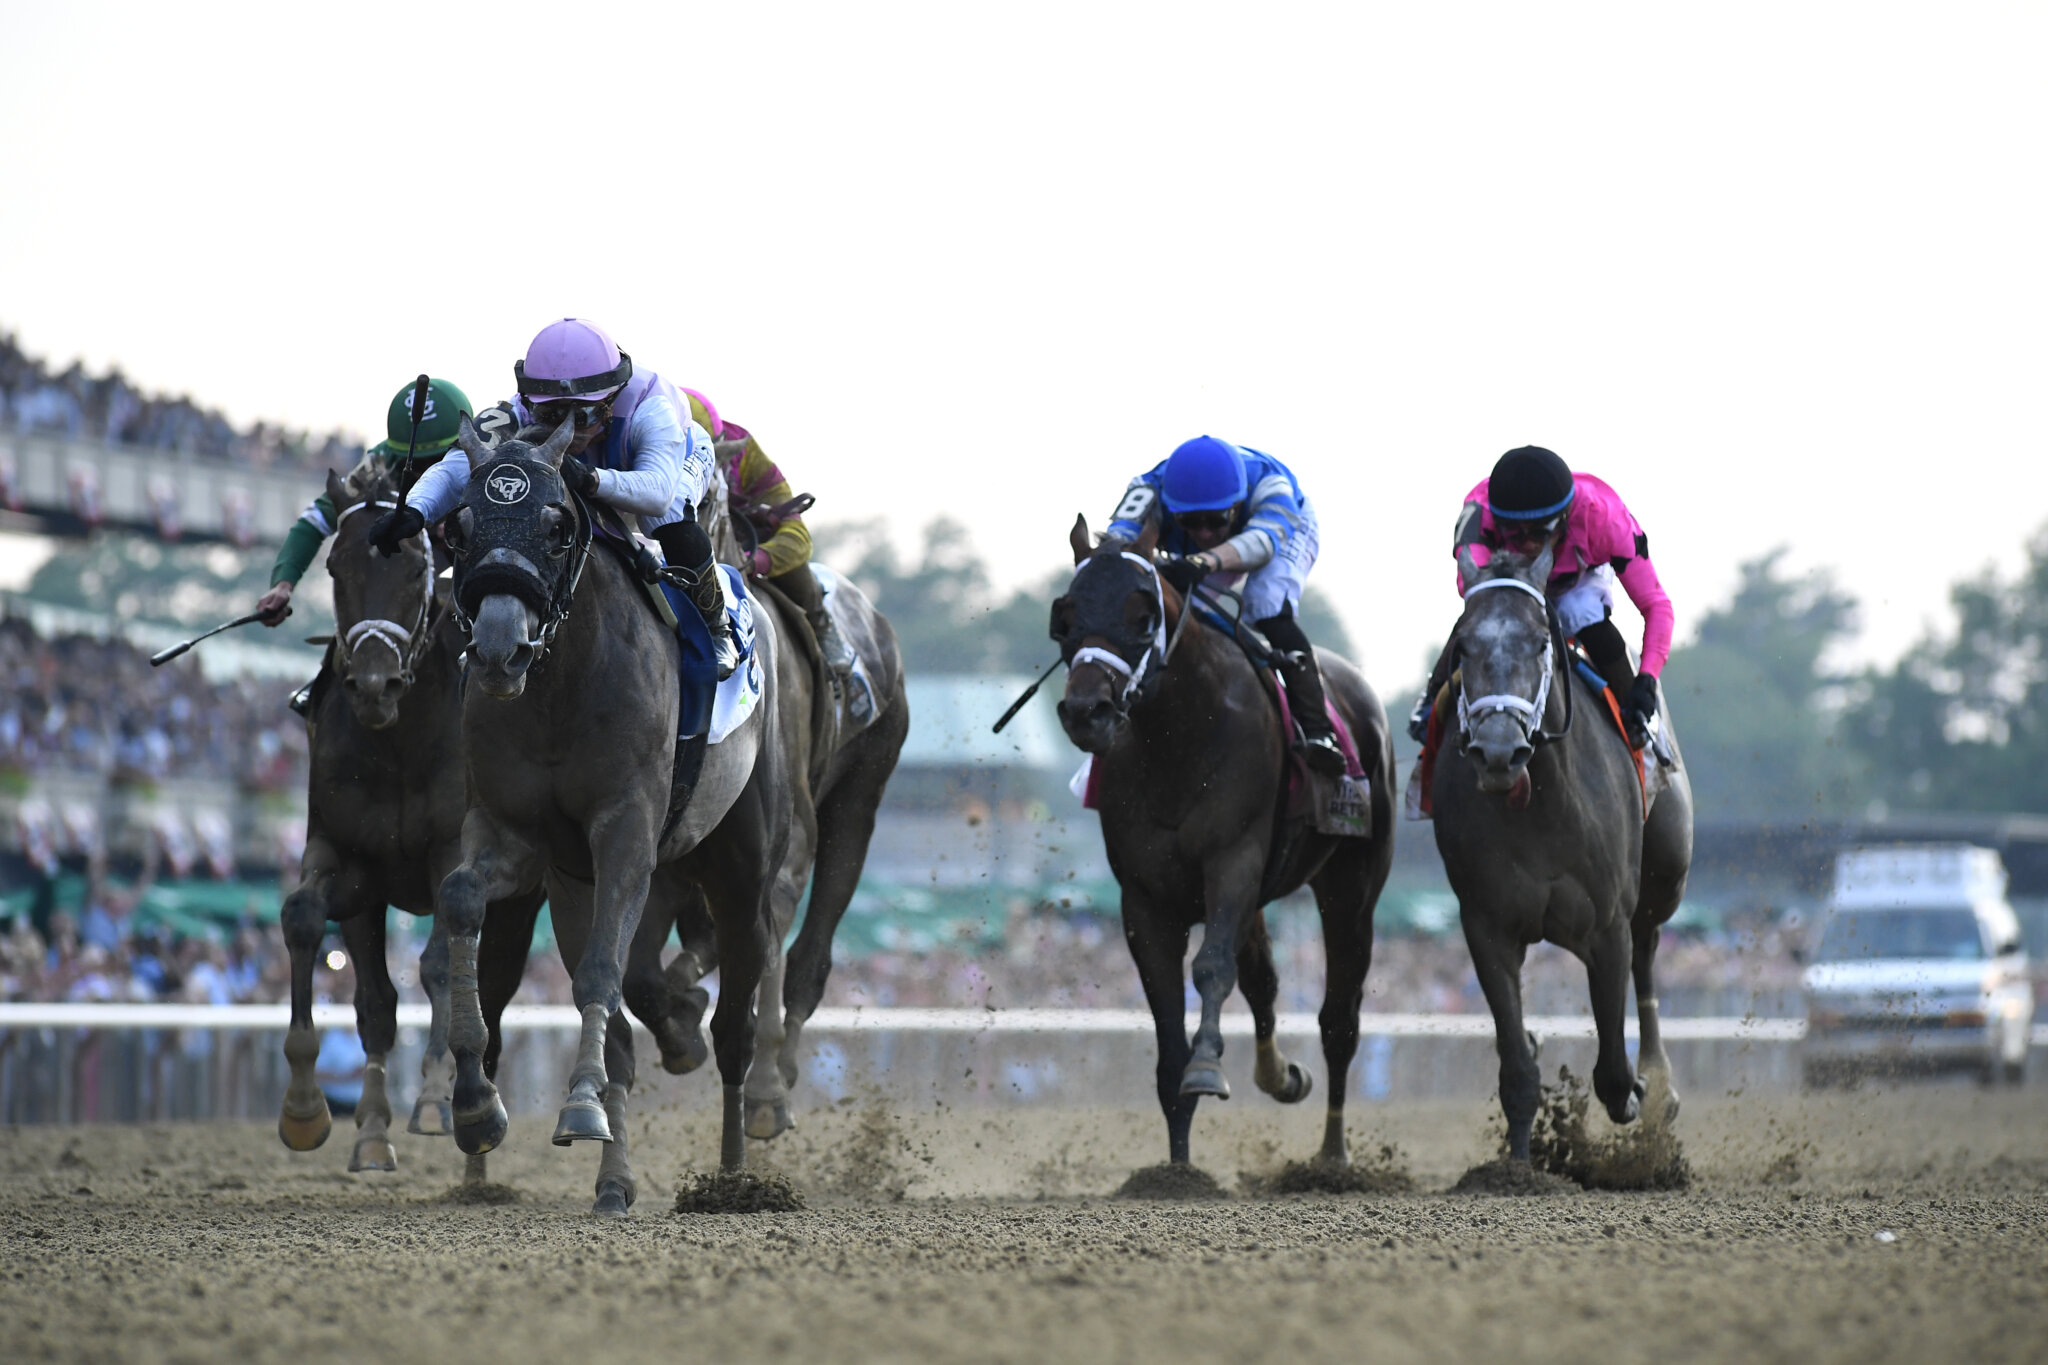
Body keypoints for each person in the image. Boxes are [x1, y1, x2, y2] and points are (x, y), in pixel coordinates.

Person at [376, 319, 735, 678]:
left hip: (678, 462)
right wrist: (414, 511)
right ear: (530, 402)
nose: (569, 430)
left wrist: (591, 479)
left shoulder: (652, 409)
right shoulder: (514, 410)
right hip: (592, 470)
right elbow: (457, 464)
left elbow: (657, 492)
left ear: (611, 399)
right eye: (551, 414)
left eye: (584, 415)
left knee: (664, 518)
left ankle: (718, 627)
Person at [1103, 434, 1346, 775]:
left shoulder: (1270, 485)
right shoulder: (1146, 489)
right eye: (1190, 522)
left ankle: (1319, 731)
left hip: (1283, 530)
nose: (1203, 532)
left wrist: (1202, 563)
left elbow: (1263, 544)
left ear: (1236, 505)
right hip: (1226, 535)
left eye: (1215, 520)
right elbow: (1117, 547)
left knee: (1265, 605)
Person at [1410, 444, 1671, 750]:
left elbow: (1656, 605)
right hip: (1508, 578)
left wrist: (1647, 678)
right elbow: (1474, 594)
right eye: (1515, 532)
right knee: (1486, 620)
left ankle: (1638, 719)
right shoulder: (1478, 515)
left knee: (1579, 610)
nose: (1529, 544)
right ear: (1497, 521)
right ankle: (1430, 703)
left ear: (1564, 517)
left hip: (1577, 577)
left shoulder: (1604, 519)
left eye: (1539, 532)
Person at [679, 387, 869, 719]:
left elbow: (797, 538)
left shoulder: (745, 453)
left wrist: (755, 562)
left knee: (792, 561)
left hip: (741, 546)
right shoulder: (638, 441)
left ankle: (821, 626)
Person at [256, 377, 474, 628]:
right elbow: (314, 521)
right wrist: (283, 584)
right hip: (397, 582)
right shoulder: (379, 462)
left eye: (440, 461)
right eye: (414, 463)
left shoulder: (487, 455)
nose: (426, 475)